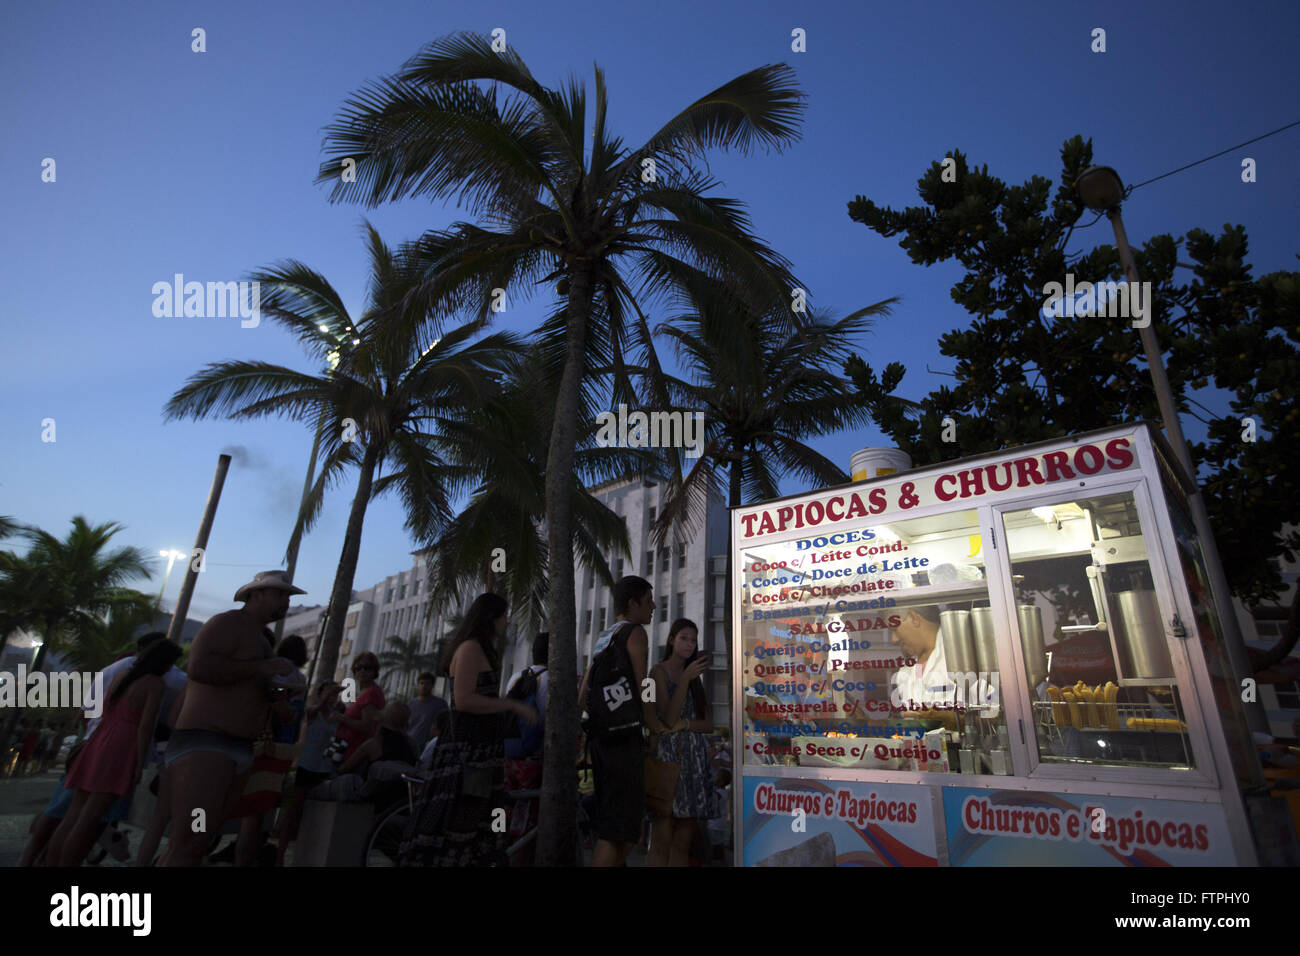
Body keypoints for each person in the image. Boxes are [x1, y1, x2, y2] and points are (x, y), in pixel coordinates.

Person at [159, 570, 303, 867]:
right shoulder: (227, 623)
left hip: (234, 750)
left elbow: (250, 686)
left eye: (288, 596)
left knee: (199, 839)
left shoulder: (261, 641)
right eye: (280, 594)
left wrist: (279, 692)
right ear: (257, 594)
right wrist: (261, 669)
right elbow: (200, 668)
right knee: (191, 838)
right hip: (207, 745)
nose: (286, 601)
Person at [398, 593, 537, 867]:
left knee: (477, 821)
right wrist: (512, 706)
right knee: (460, 821)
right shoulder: (471, 648)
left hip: (481, 749)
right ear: (491, 617)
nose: (506, 621)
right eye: (503, 615)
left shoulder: (479, 648)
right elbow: (463, 700)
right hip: (468, 751)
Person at [22, 631, 180, 867]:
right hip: (121, 748)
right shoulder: (154, 685)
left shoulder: (121, 675)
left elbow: (91, 712)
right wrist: (138, 765)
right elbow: (145, 727)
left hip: (98, 739)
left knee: (71, 816)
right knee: (90, 819)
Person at [578, 576, 684, 867]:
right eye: (648, 601)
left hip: (602, 739)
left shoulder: (605, 636)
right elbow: (642, 687)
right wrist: (653, 727)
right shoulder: (636, 633)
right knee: (620, 832)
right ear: (632, 603)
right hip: (624, 742)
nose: (654, 607)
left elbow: (582, 695)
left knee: (612, 825)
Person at [647, 618, 716, 867]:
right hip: (668, 758)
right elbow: (667, 717)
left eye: (694, 639)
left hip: (693, 760)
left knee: (684, 839)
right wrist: (685, 678)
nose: (690, 644)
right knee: (662, 836)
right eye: (684, 638)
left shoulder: (695, 677)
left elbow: (709, 723)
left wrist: (685, 725)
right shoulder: (657, 671)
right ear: (671, 640)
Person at [274, 680, 341, 866]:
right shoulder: (313, 712)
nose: (332, 698)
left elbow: (334, 743)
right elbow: (313, 712)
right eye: (329, 694)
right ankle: (280, 856)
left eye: (335, 695)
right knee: (293, 811)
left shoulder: (336, 717)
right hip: (306, 765)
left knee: (311, 814)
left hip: (323, 767)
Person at [334, 652, 385, 764]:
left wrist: (342, 718)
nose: (362, 671)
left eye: (367, 668)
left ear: (374, 671)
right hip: (343, 747)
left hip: (353, 752)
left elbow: (367, 727)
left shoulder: (372, 694)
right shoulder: (363, 692)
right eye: (358, 668)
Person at [406, 672, 447, 755]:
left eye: (427, 683)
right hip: (410, 745)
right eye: (421, 683)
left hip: (429, 747)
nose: (424, 686)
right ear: (418, 685)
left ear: (432, 686)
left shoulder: (440, 704)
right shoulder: (410, 704)